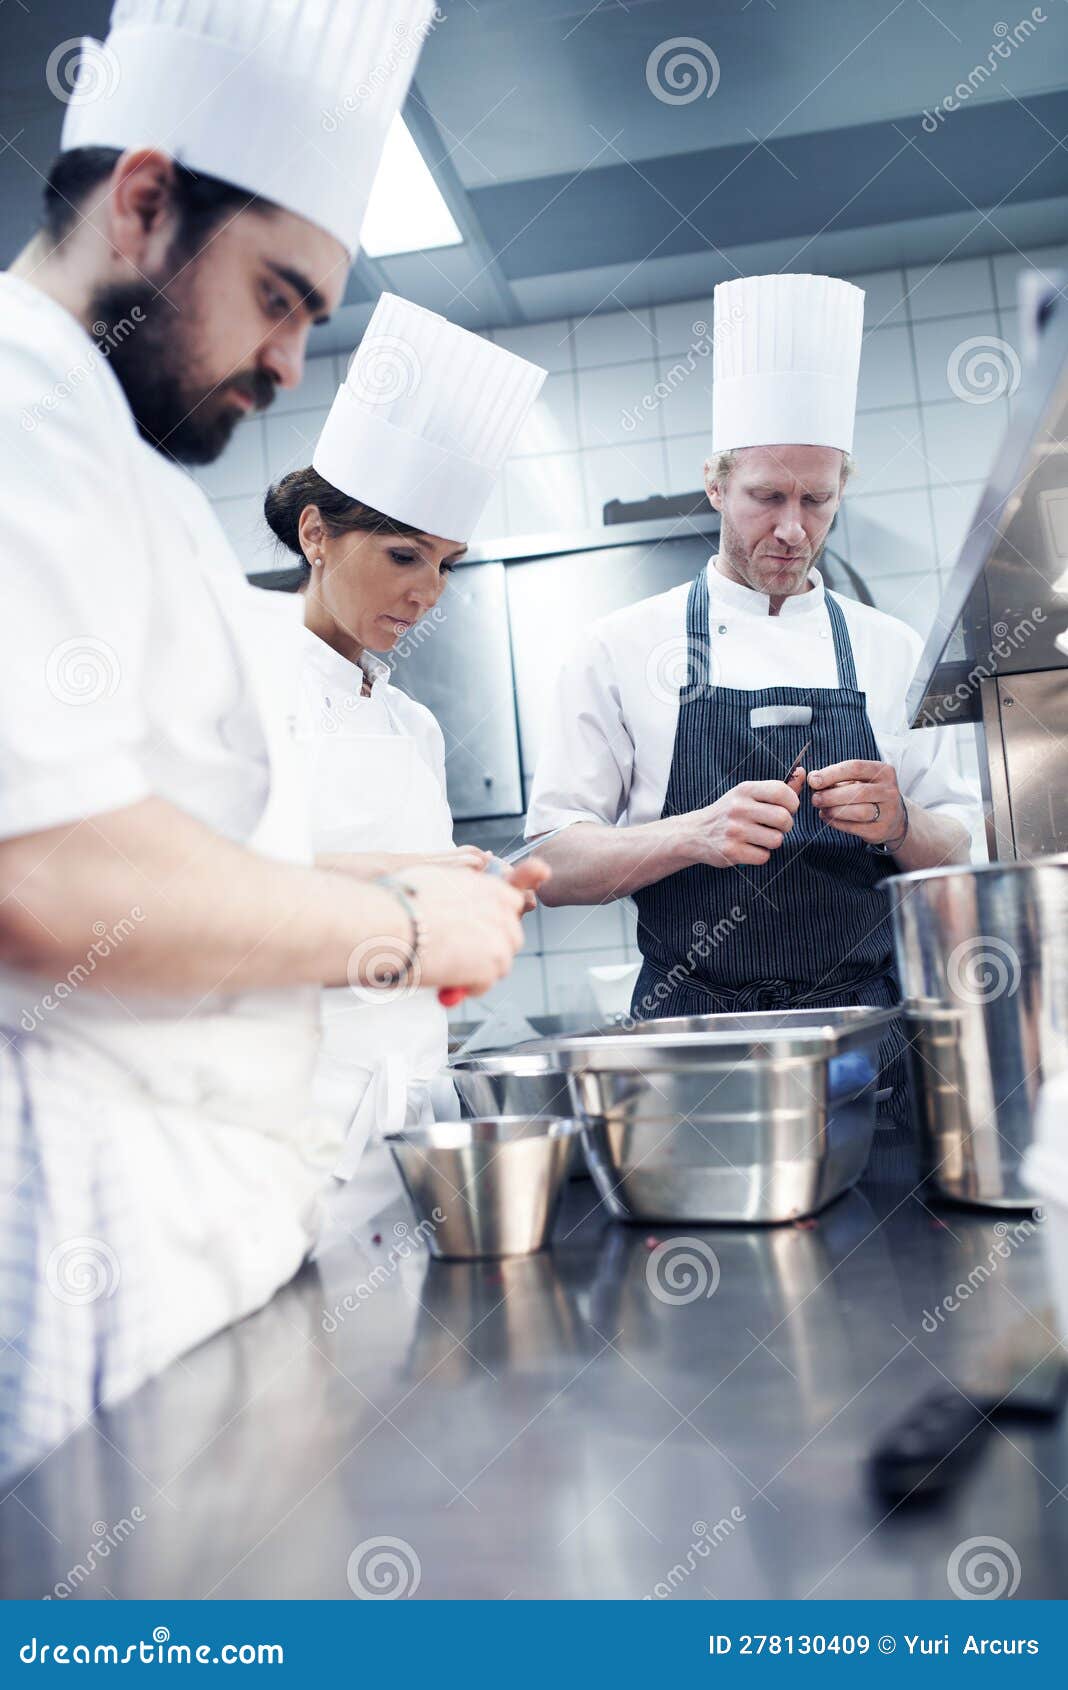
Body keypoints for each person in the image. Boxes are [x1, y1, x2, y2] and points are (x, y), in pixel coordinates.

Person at [0, 0, 542, 1478]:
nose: (292, 365)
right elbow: (45, 874)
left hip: (189, 1250)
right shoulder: (18, 418)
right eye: (281, 297)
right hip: (86, 1255)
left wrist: (417, 890)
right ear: (146, 201)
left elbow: (176, 840)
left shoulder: (110, 462)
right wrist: (384, 921)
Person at [525, 272, 981, 1111]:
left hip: (871, 1057)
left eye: (817, 499)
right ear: (714, 485)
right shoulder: (619, 648)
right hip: (694, 1062)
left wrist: (904, 825)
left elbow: (965, 852)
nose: (792, 529)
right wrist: (692, 836)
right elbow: (550, 863)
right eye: (766, 497)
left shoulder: (892, 649)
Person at [262, 292, 546, 1200]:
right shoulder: (238, 678)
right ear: (317, 534)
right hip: (287, 1134)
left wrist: (465, 904)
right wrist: (413, 879)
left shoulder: (412, 726)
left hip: (419, 1120)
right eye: (402, 555)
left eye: (446, 564)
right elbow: (202, 889)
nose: (429, 591)